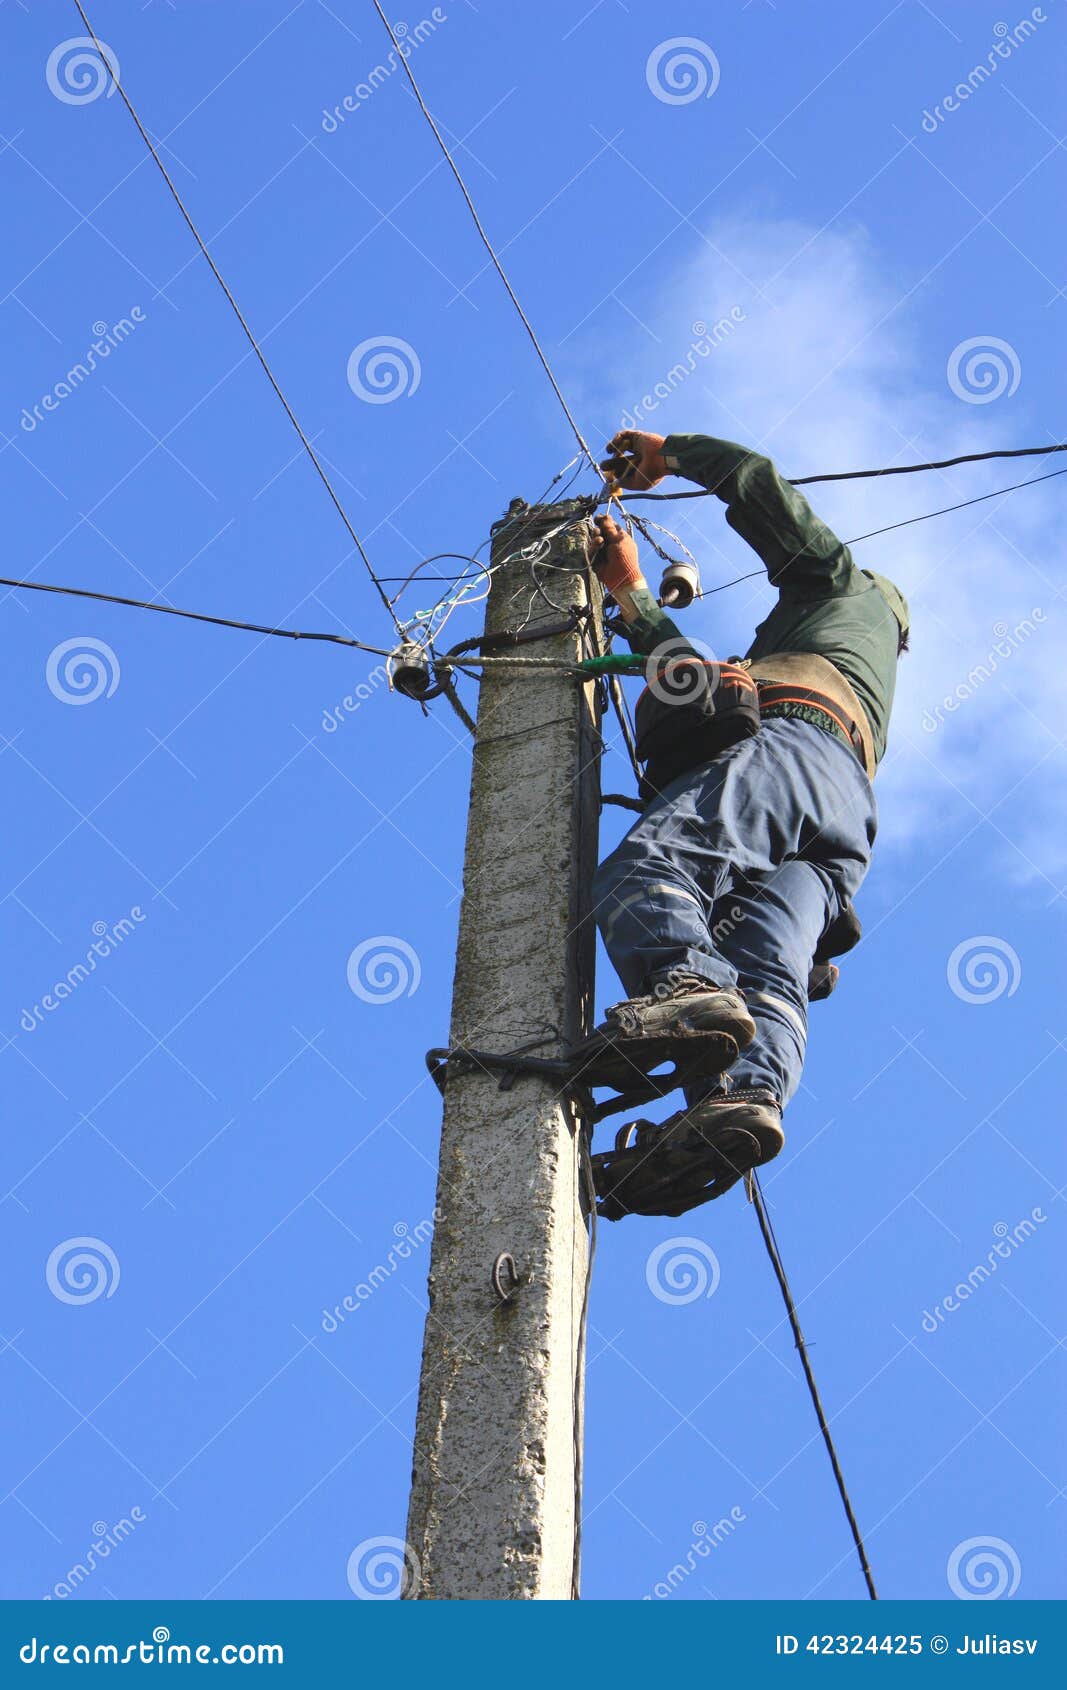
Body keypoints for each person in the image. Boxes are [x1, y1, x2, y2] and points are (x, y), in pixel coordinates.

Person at [583, 428, 909, 1220]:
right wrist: (631, 595)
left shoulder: (841, 593)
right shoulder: (828, 660)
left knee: (648, 869)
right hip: (838, 823)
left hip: (796, 748)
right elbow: (691, 673)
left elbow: (763, 490)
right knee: (764, 964)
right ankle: (738, 1099)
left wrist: (673, 453)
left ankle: (684, 984)